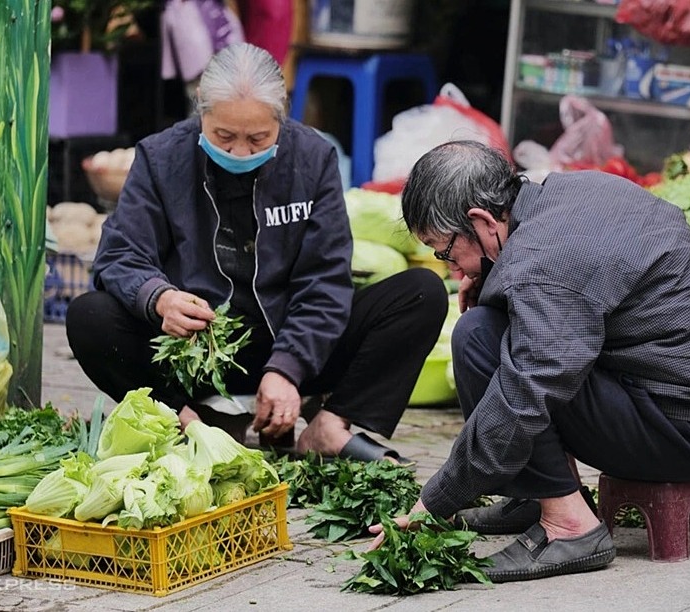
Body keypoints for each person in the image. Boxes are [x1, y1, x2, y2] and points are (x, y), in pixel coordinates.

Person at [374, 140, 690, 582]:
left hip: (677, 432)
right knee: (494, 330)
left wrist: (434, 501)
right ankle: (536, 495)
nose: (452, 267)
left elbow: (523, 395)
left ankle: (570, 526)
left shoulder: (542, 263)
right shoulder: (567, 196)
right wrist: (493, 279)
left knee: (480, 341)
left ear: (480, 220)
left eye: (445, 251)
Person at [67, 43, 448, 462]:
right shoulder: (161, 158)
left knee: (421, 292)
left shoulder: (313, 159)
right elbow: (120, 254)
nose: (240, 152)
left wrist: (288, 367)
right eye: (224, 137)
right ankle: (185, 422)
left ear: (281, 116)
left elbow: (324, 281)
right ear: (201, 112)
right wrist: (160, 298)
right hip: (195, 351)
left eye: (258, 138)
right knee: (90, 315)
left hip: (290, 344)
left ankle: (329, 425)